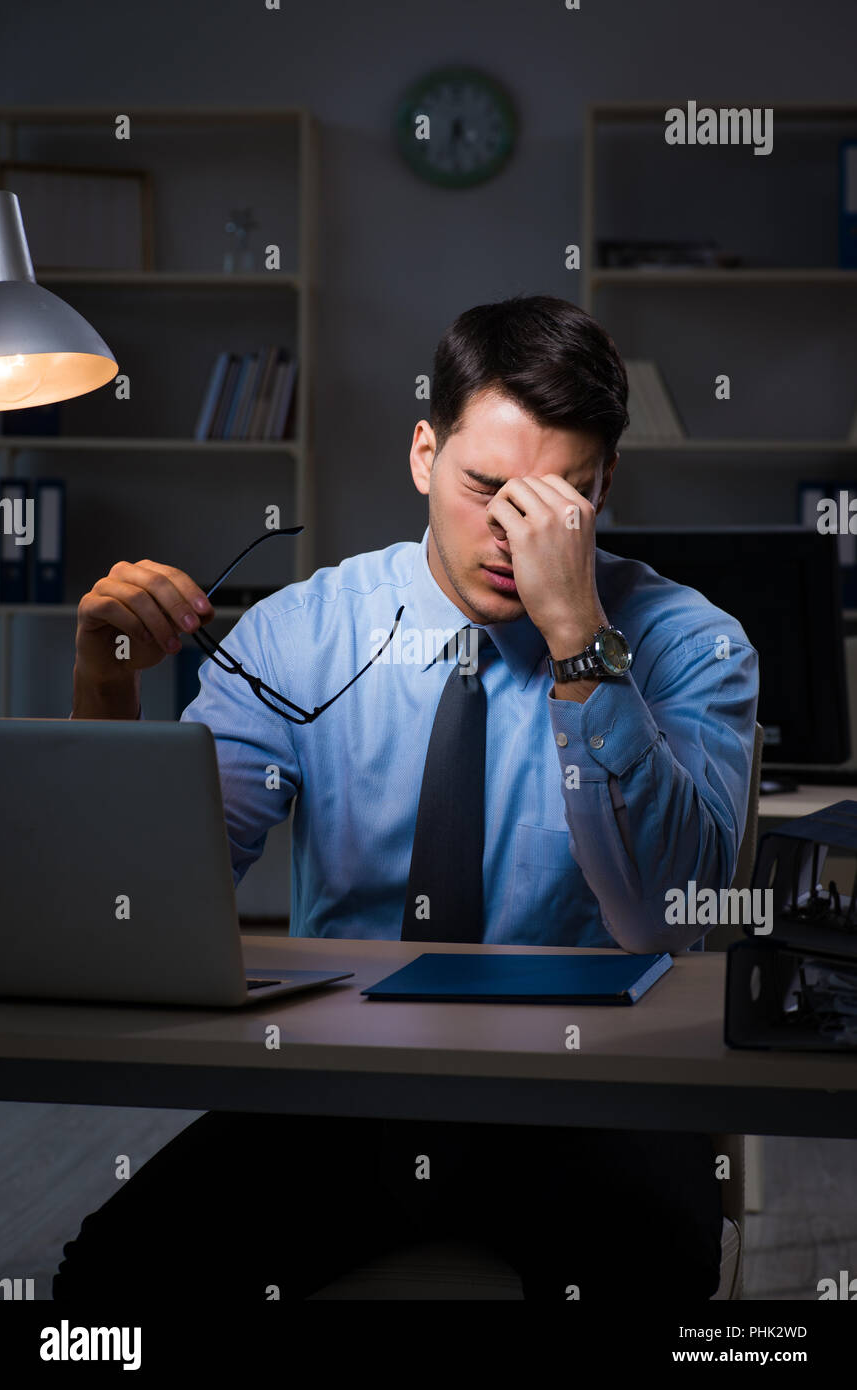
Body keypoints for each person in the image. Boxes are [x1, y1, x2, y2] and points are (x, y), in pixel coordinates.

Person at [54, 295, 757, 1302]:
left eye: (559, 500)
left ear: (606, 485)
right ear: (424, 454)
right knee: (104, 1286)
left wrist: (581, 647)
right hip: (343, 1090)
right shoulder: (302, 633)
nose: (515, 534)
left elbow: (660, 915)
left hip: (592, 1093)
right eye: (486, 487)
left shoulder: (693, 643)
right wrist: (105, 684)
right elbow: (134, 916)